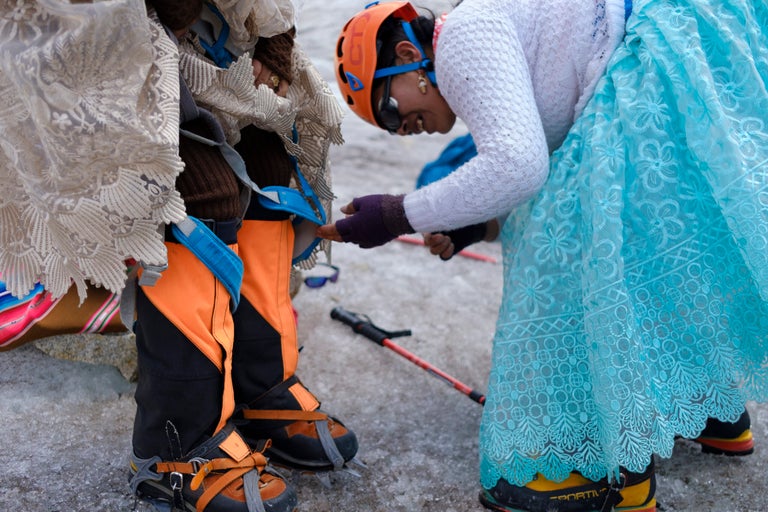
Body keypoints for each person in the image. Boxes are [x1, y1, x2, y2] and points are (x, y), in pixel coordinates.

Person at [320, 1, 768, 511]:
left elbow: (520, 166)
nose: (402, 130)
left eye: (389, 109)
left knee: (563, 257)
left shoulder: (461, 37)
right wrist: (479, 222)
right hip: (672, 55)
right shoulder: (483, 52)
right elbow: (547, 162)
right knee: (641, 253)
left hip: (650, 67)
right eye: (388, 128)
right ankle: (711, 407)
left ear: (407, 54)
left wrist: (397, 214)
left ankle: (617, 473)